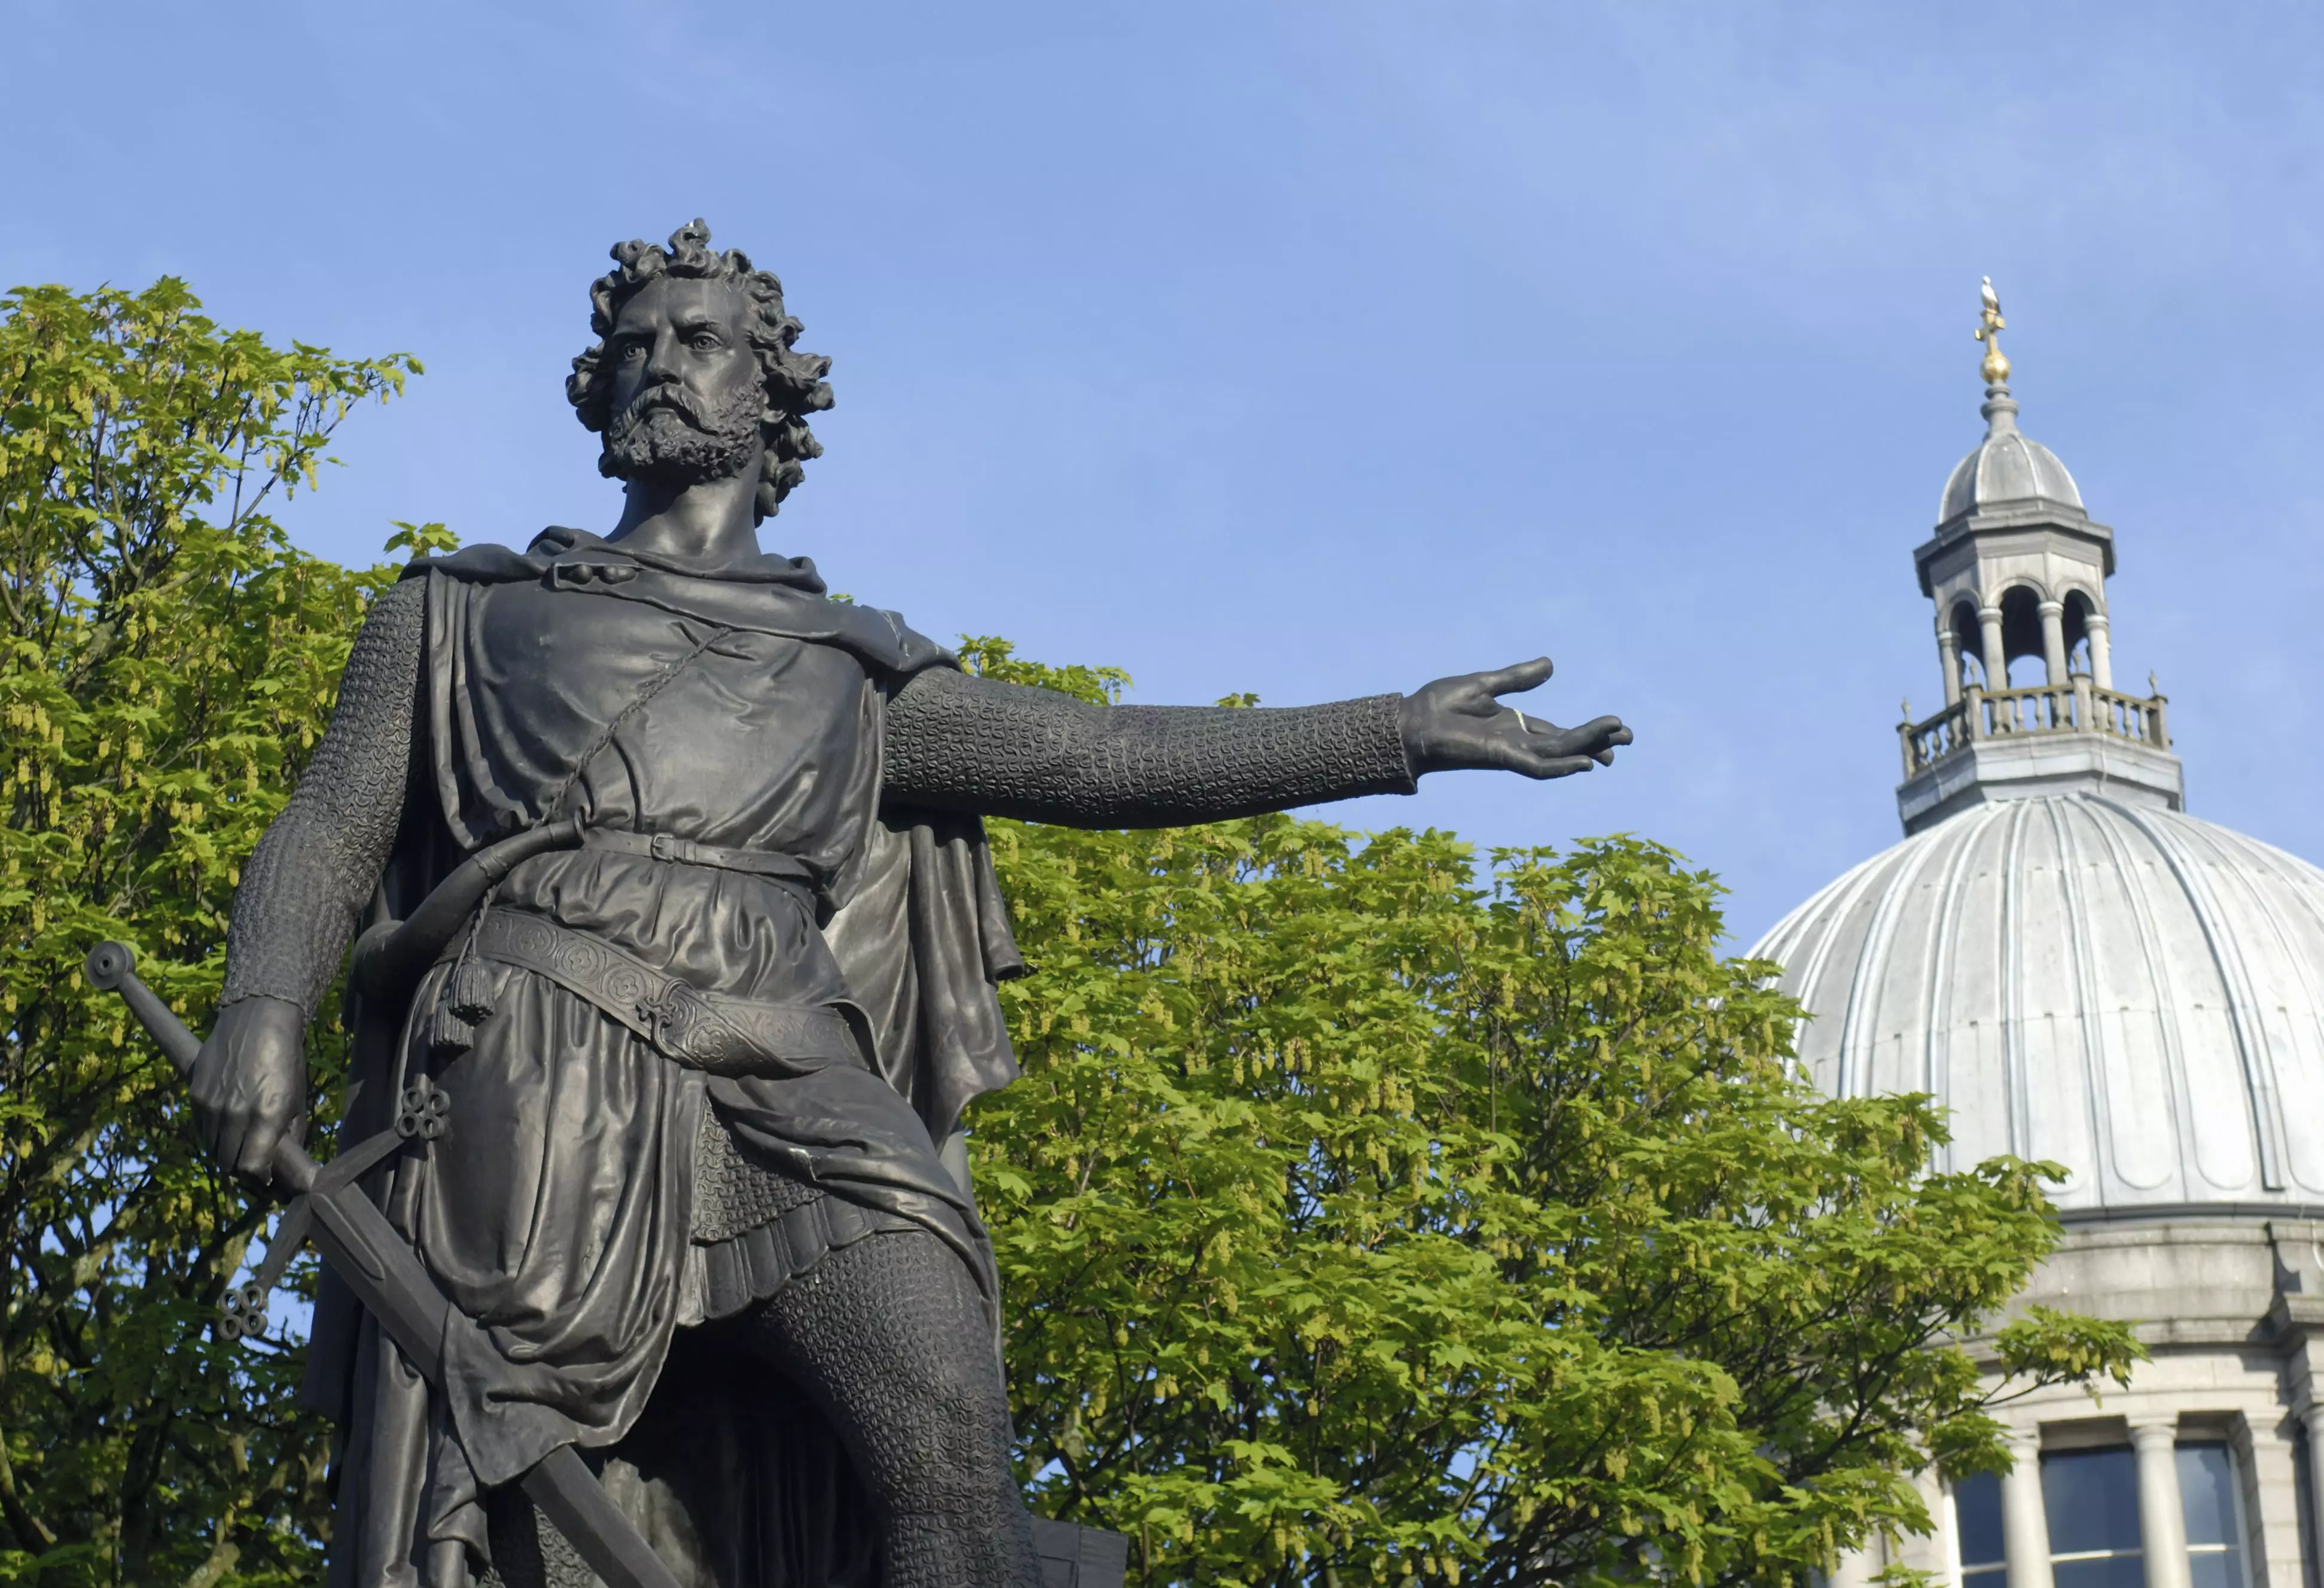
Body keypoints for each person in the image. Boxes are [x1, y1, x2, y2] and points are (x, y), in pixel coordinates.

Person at [190, 221, 1631, 1588]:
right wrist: (263, 1008)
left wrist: (1391, 732)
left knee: (944, 1429)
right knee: (534, 1484)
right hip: (539, 1058)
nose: (659, 361)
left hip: (786, 1061)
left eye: (699, 340)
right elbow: (326, 827)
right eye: (634, 342)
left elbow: (1100, 756)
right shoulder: (457, 614)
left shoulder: (852, 675)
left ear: (771, 396)